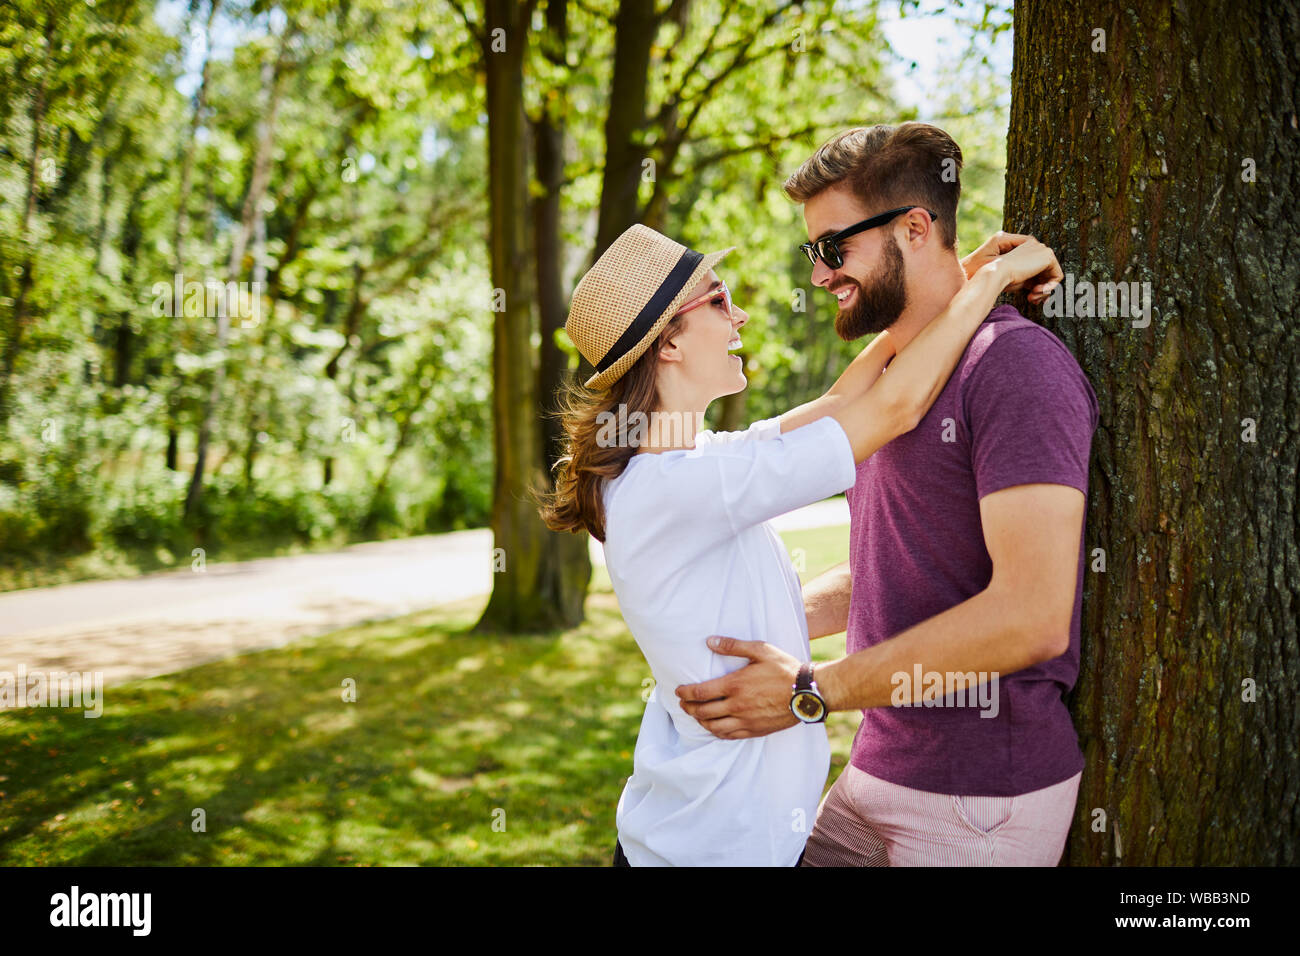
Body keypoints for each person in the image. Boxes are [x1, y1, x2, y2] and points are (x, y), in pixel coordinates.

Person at [537, 216, 1062, 866]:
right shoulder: (675, 487)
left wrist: (954, 280)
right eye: (720, 300)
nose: (743, 317)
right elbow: (892, 408)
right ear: (668, 342)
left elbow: (844, 399)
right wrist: (993, 283)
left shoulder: (692, 463)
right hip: (707, 852)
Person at [674, 122, 1101, 866]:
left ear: (913, 228)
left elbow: (1030, 618)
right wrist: (734, 636)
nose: (819, 276)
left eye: (834, 249)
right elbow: (898, 566)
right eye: (814, 253)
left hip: (979, 804)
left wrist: (811, 691)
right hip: (876, 771)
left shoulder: (1015, 369)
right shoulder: (890, 386)